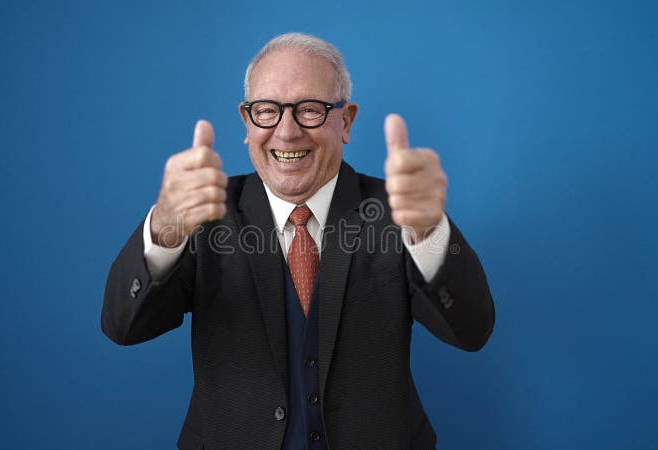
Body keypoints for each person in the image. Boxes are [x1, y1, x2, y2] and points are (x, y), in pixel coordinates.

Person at [102, 32, 494, 449]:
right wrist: (164, 228)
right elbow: (123, 327)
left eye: (309, 110)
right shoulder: (201, 214)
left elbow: (471, 331)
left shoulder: (401, 208)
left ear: (345, 122)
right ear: (246, 123)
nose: (286, 132)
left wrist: (429, 233)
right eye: (267, 111)